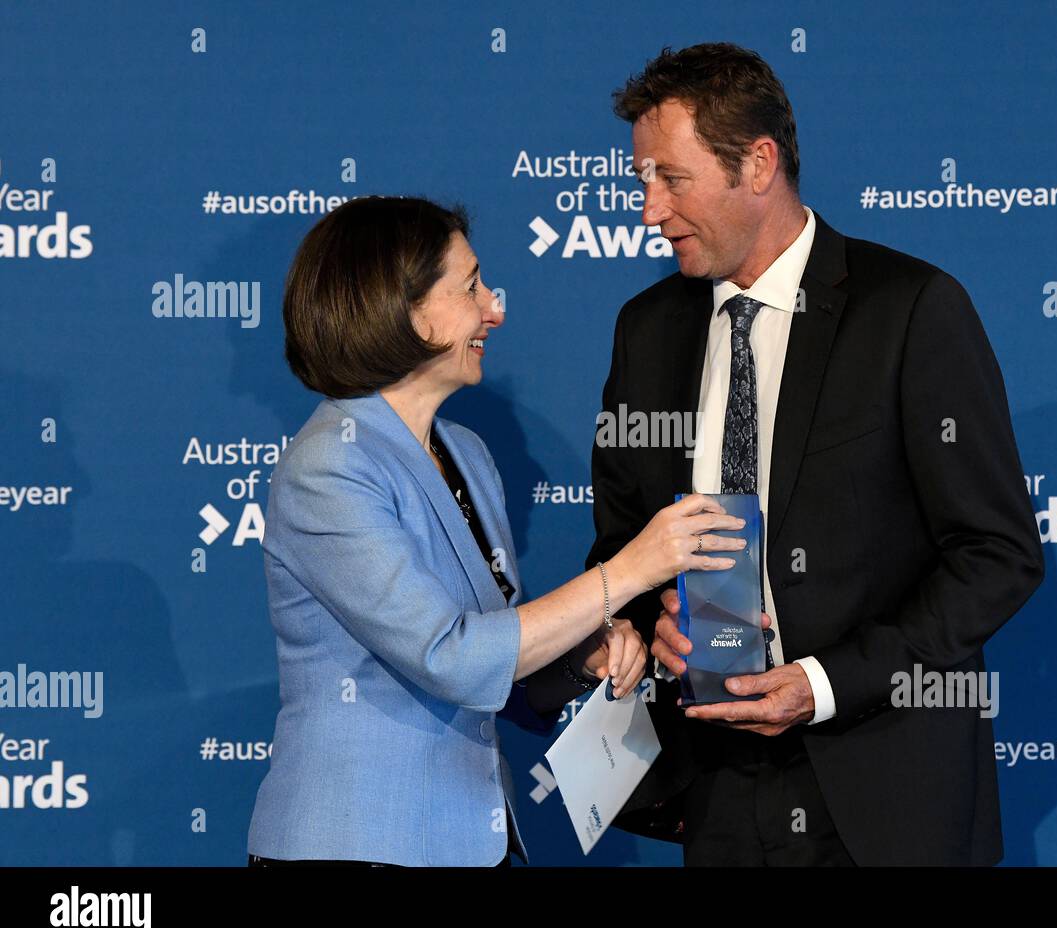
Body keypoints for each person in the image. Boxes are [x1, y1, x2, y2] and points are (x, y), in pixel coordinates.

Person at [587, 43, 1045, 865]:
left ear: (757, 164)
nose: (650, 210)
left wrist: (824, 684)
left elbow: (996, 555)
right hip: (716, 789)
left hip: (882, 796)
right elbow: (621, 542)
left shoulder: (909, 311)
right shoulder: (646, 329)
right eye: (642, 181)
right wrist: (645, 625)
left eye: (672, 179)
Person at [246, 196, 746, 867]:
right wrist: (631, 570)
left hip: (476, 844)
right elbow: (449, 655)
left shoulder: (468, 455)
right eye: (470, 286)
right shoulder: (330, 466)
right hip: (358, 847)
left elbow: (498, 661)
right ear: (405, 307)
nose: (494, 308)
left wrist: (582, 656)